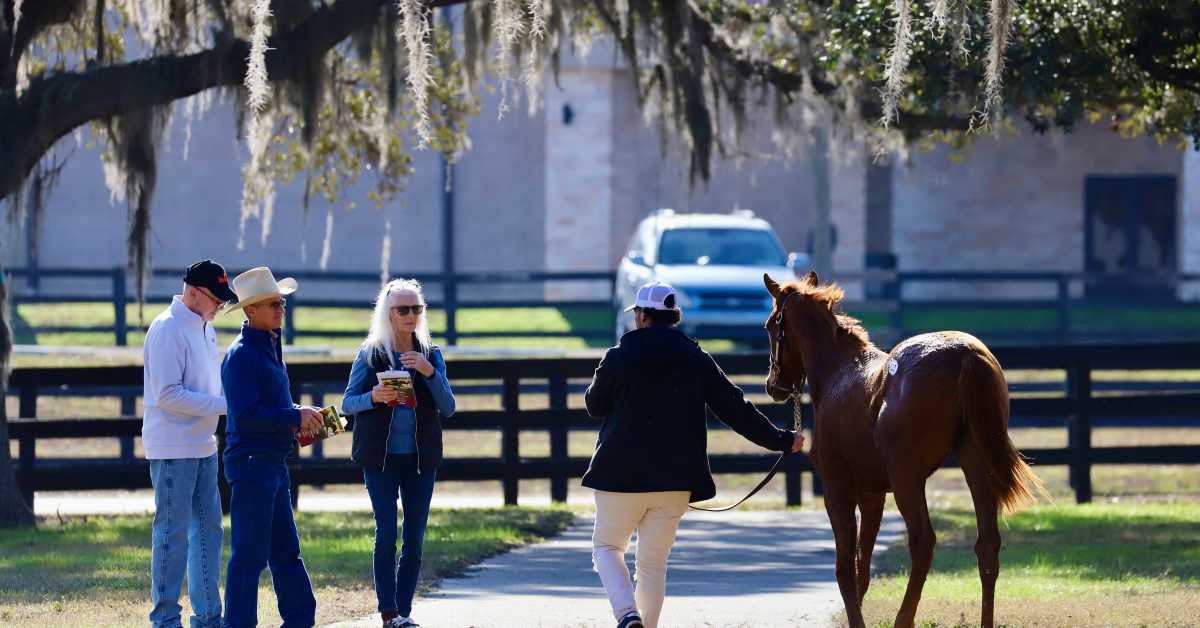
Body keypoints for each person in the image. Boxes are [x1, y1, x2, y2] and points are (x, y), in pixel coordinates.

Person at [582, 280, 805, 628]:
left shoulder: (618, 356)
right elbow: (735, 409)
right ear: (675, 317)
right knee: (653, 564)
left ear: (641, 316)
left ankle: (627, 615)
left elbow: (594, 406)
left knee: (607, 549)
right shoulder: (696, 358)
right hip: (675, 481)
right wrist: (781, 439)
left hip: (618, 477)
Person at [342, 279, 456, 628]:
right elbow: (348, 403)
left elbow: (448, 407)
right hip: (380, 458)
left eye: (416, 309)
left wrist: (429, 371)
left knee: (415, 539)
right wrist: (374, 398)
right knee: (386, 533)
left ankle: (403, 613)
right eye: (402, 309)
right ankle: (388, 611)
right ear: (388, 314)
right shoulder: (370, 353)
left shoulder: (431, 354)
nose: (410, 316)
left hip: (421, 460)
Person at [220, 266, 325, 628]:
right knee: (249, 556)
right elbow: (246, 415)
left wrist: (300, 420)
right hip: (252, 465)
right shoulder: (242, 356)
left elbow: (271, 409)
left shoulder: (269, 346)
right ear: (250, 311)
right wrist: (295, 416)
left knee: (285, 552)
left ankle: (299, 621)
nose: (280, 309)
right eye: (270, 304)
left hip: (272, 462)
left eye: (280, 303)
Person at [143, 259, 237, 628]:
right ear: (194, 293)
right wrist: (225, 406)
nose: (220, 307)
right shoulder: (167, 329)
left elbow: (207, 386)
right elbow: (167, 394)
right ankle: (165, 619)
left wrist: (224, 404)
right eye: (216, 299)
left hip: (203, 444)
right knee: (172, 533)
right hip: (172, 447)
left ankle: (208, 615)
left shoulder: (204, 328)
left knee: (209, 530)